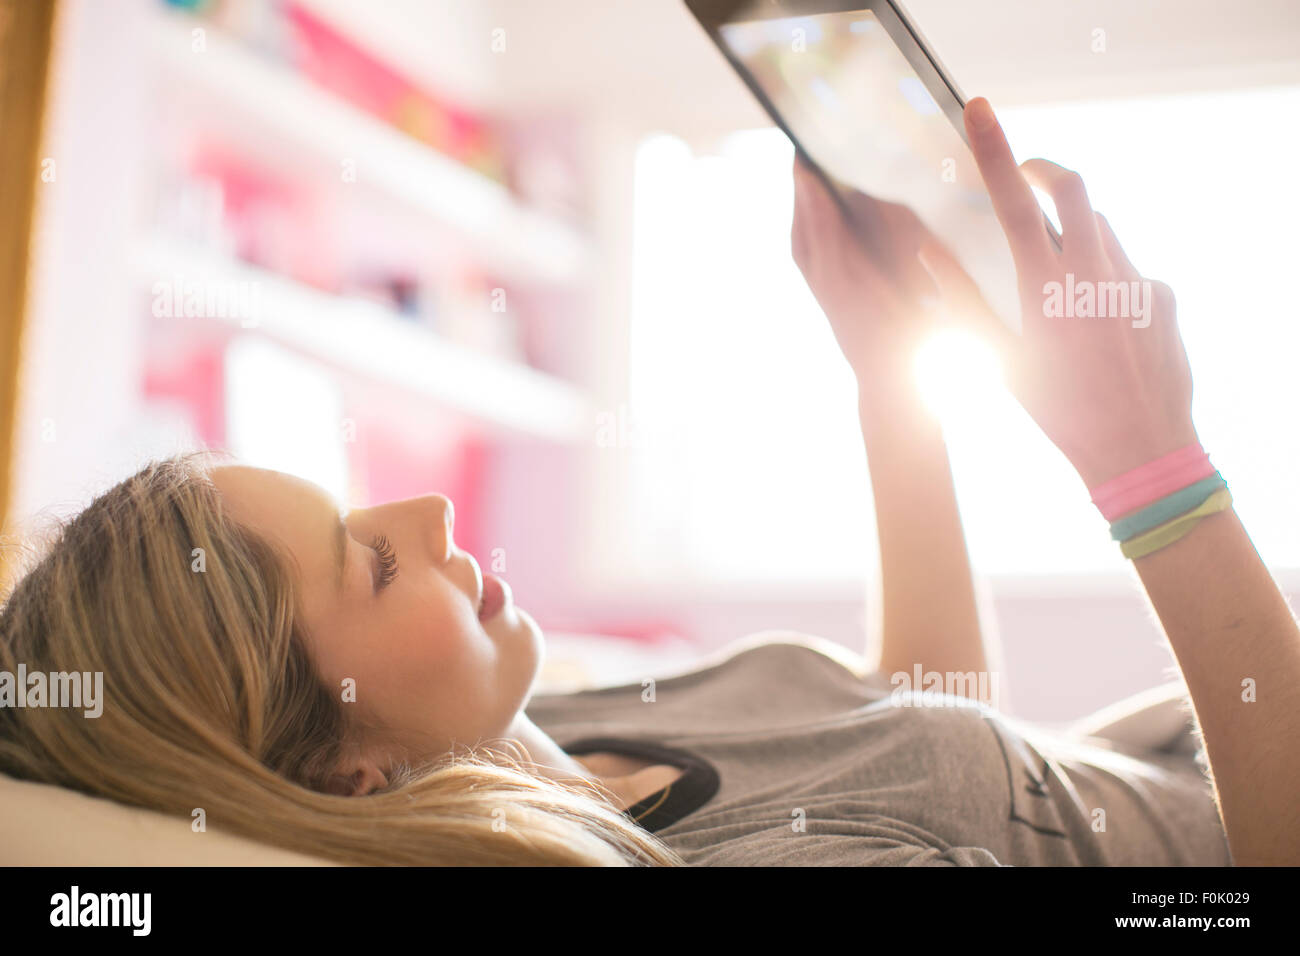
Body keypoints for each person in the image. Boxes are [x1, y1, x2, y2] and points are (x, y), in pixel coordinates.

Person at [1, 99, 1295, 866]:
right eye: (371, 560)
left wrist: (885, 381)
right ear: (345, 770)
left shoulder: (535, 725)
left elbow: (929, 733)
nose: (431, 515)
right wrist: (1152, 469)